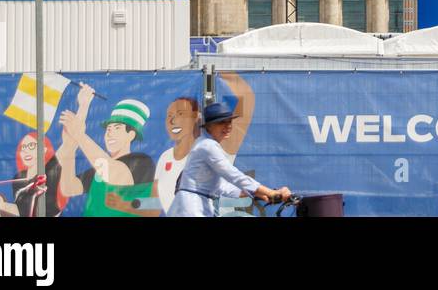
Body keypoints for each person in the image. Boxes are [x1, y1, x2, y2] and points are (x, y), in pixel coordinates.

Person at [168, 102, 290, 217]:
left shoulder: (205, 144)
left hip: (195, 206)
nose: (228, 126)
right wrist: (270, 192)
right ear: (209, 126)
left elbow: (221, 187)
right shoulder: (207, 145)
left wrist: (258, 193)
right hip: (190, 208)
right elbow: (233, 175)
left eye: (229, 121)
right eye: (221, 122)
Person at [57, 84, 156, 216]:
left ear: (131, 135)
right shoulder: (101, 167)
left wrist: (79, 135)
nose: (110, 134)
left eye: (117, 128)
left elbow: (114, 174)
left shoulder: (142, 162)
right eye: (108, 129)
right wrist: (70, 147)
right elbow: (69, 188)